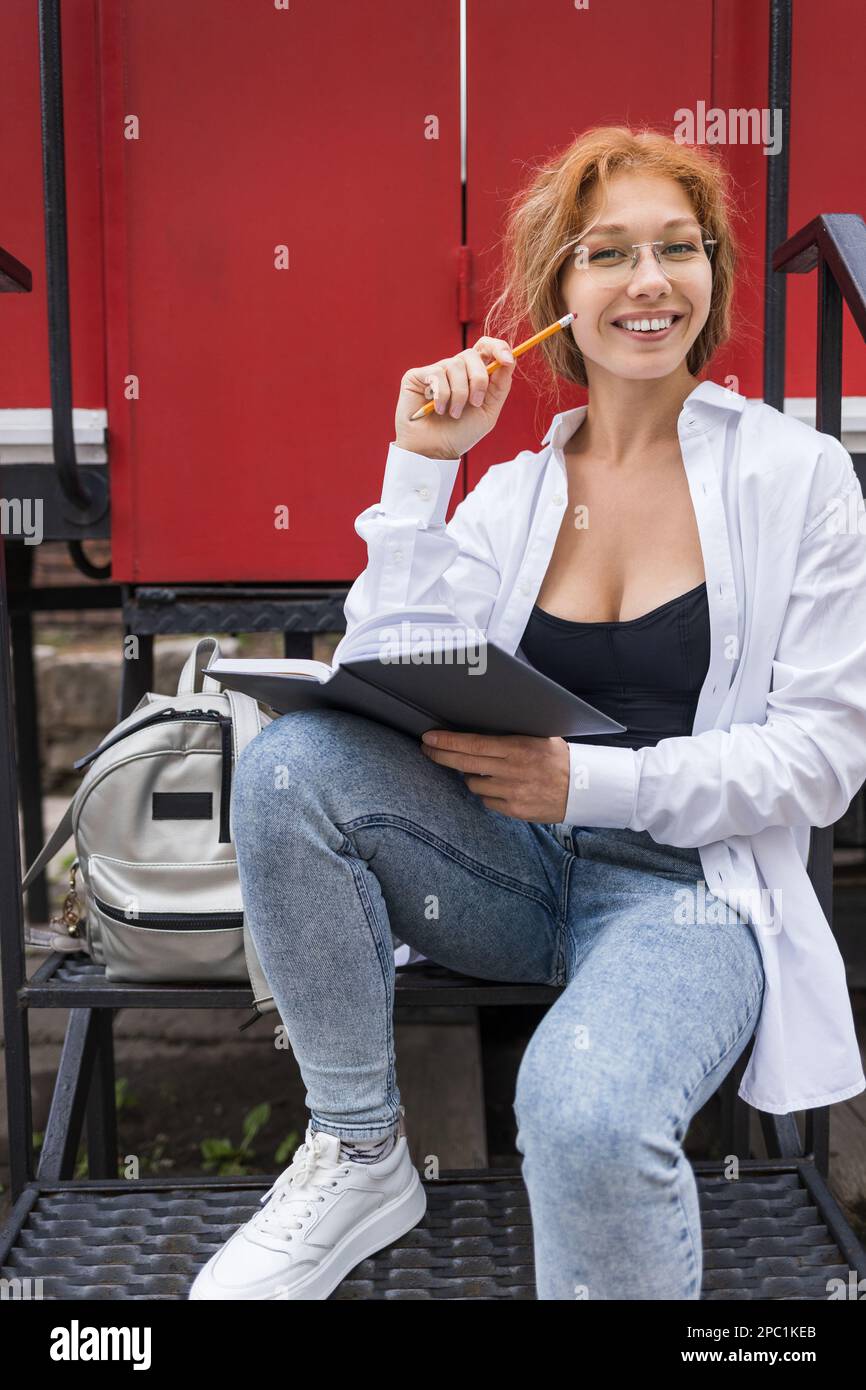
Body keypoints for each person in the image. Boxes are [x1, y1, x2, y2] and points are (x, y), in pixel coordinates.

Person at [188, 125, 866, 1301]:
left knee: (583, 1110)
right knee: (293, 763)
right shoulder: (511, 491)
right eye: (608, 254)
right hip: (502, 867)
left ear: (710, 275)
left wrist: (591, 783)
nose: (648, 281)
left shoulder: (793, 475)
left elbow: (822, 759)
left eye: (677, 248)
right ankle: (356, 1149)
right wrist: (420, 467)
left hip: (688, 895)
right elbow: (385, 671)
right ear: (558, 289)